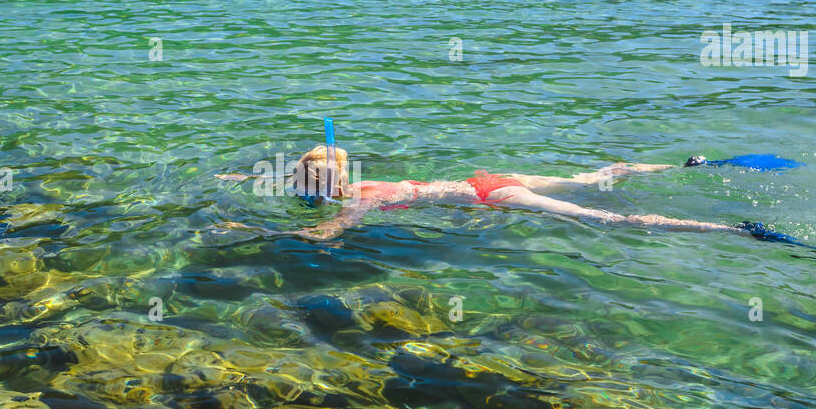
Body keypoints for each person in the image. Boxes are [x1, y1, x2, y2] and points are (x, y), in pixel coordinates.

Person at [218, 145, 741, 242]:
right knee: (591, 180)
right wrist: (241, 180)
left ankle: (728, 229)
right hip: (485, 179)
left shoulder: (361, 201)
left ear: (320, 185)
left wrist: (253, 230)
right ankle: (684, 166)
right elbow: (304, 188)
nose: (300, 189)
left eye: (304, 184)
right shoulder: (355, 184)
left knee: (597, 218)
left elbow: (321, 236)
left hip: (493, 198)